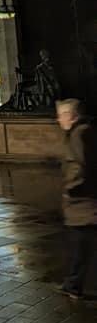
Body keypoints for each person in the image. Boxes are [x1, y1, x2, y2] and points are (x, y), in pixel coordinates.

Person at [56, 98, 97, 299]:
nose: (58, 119)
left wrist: (72, 189)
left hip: (83, 202)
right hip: (84, 202)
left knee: (81, 245)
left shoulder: (79, 134)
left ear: (71, 116)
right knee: (81, 244)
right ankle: (72, 283)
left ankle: (73, 285)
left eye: (61, 114)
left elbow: (81, 165)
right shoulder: (81, 132)